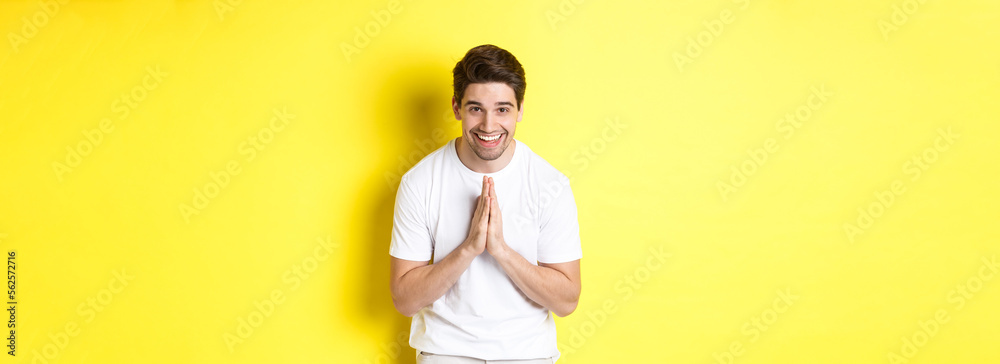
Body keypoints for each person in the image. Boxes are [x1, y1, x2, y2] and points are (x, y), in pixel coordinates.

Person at [388, 44, 583, 363]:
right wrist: (469, 248)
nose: (489, 126)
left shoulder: (550, 184)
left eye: (502, 109)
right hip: (445, 353)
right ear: (456, 107)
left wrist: (501, 250)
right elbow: (405, 300)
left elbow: (566, 302)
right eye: (476, 108)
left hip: (528, 354)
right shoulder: (420, 182)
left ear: (520, 109)